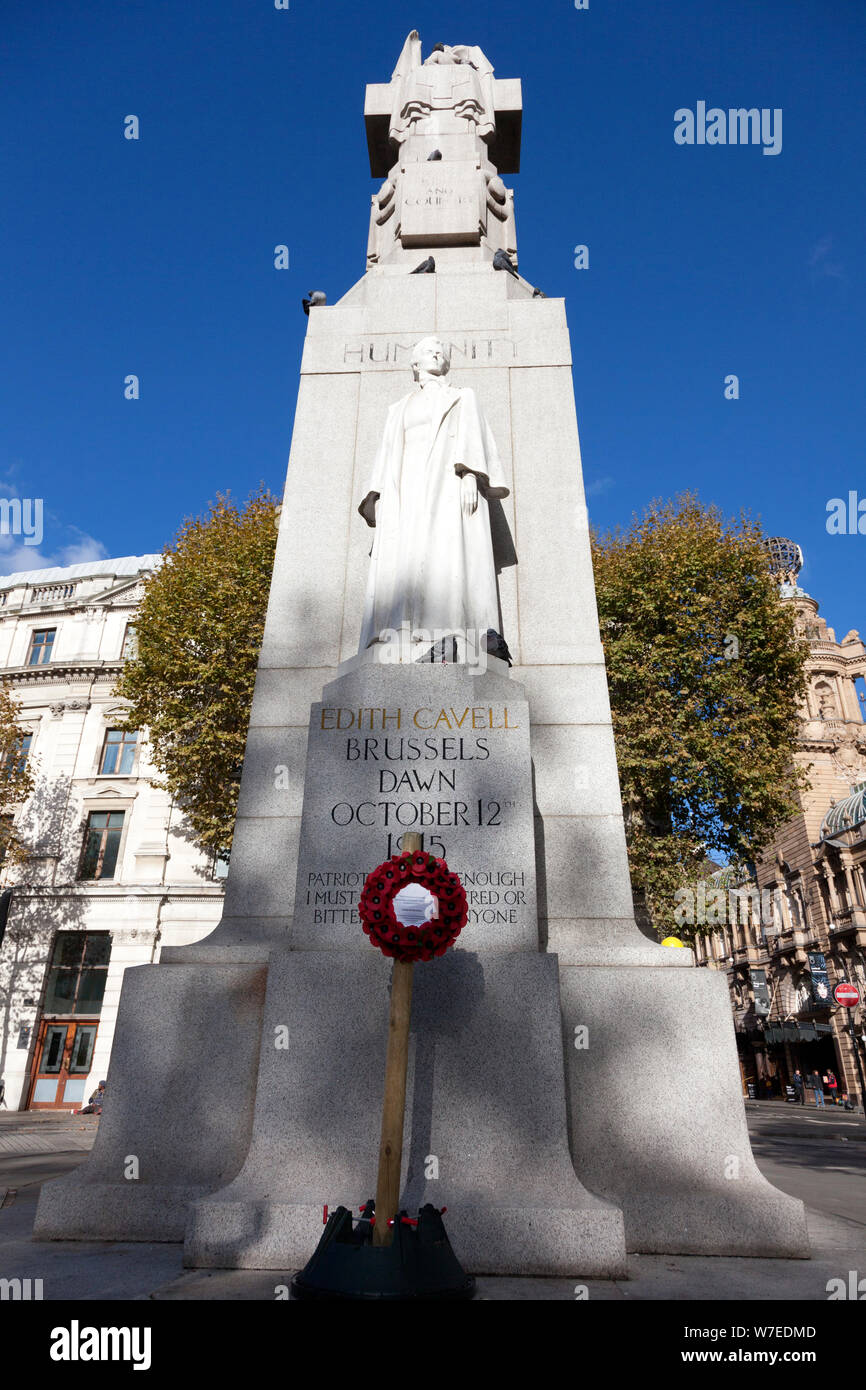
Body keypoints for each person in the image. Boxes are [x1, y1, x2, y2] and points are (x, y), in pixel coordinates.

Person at [357, 336, 511, 658]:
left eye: (440, 351)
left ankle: (449, 631)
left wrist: (470, 475)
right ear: (415, 364)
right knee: (407, 559)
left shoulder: (463, 396)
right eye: (429, 351)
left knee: (445, 553)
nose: (437, 353)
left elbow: (473, 438)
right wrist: (375, 493)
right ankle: (401, 634)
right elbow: (387, 452)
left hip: (446, 482)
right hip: (406, 486)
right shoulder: (399, 408)